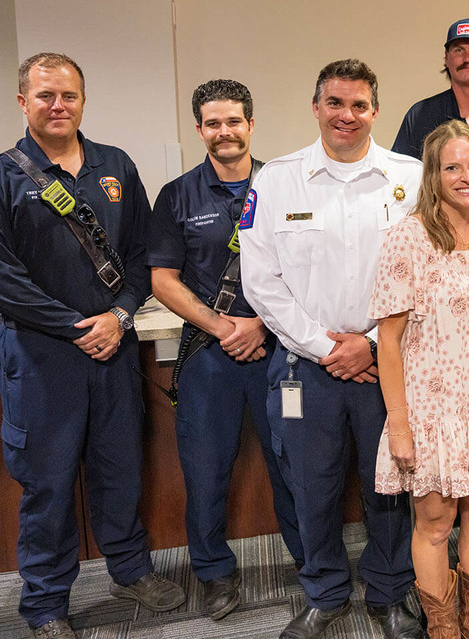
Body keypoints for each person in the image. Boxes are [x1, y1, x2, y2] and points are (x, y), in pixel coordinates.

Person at [0, 52, 184, 639]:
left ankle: (130, 571)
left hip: (113, 350)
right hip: (41, 360)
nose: (58, 106)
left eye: (68, 96)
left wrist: (117, 315)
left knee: (120, 469)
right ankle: (45, 604)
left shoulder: (115, 165)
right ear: (22, 103)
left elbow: (141, 256)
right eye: (45, 96)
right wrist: (75, 327)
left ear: (83, 100)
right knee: (48, 483)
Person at [239, 59, 424, 639]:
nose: (347, 116)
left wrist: (369, 344)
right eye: (336, 104)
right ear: (316, 107)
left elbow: (429, 271)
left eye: (360, 105)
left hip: (385, 365)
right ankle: (323, 590)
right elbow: (261, 280)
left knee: (389, 487)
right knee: (309, 485)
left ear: (376, 111)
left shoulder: (411, 178)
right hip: (305, 369)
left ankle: (391, 592)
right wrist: (325, 347)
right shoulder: (275, 180)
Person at [148, 79, 304, 620]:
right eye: (212, 123)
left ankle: (312, 564)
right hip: (208, 358)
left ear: (251, 124)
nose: (224, 132)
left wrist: (259, 322)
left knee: (294, 463)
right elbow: (163, 279)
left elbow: (306, 268)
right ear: (199, 130)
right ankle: (213, 573)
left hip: (279, 353)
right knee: (206, 469)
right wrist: (223, 327)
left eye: (233, 121)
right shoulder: (177, 196)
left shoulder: (285, 186)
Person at [371, 120, 469, 639]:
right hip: (432, 411)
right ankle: (443, 629)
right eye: (451, 167)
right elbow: (387, 340)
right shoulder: (408, 238)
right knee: (435, 526)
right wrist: (399, 424)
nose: (466, 176)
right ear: (432, 176)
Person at [392, 18, 469, 159]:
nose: (467, 58)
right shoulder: (421, 115)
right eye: (459, 50)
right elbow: (401, 176)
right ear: (446, 58)